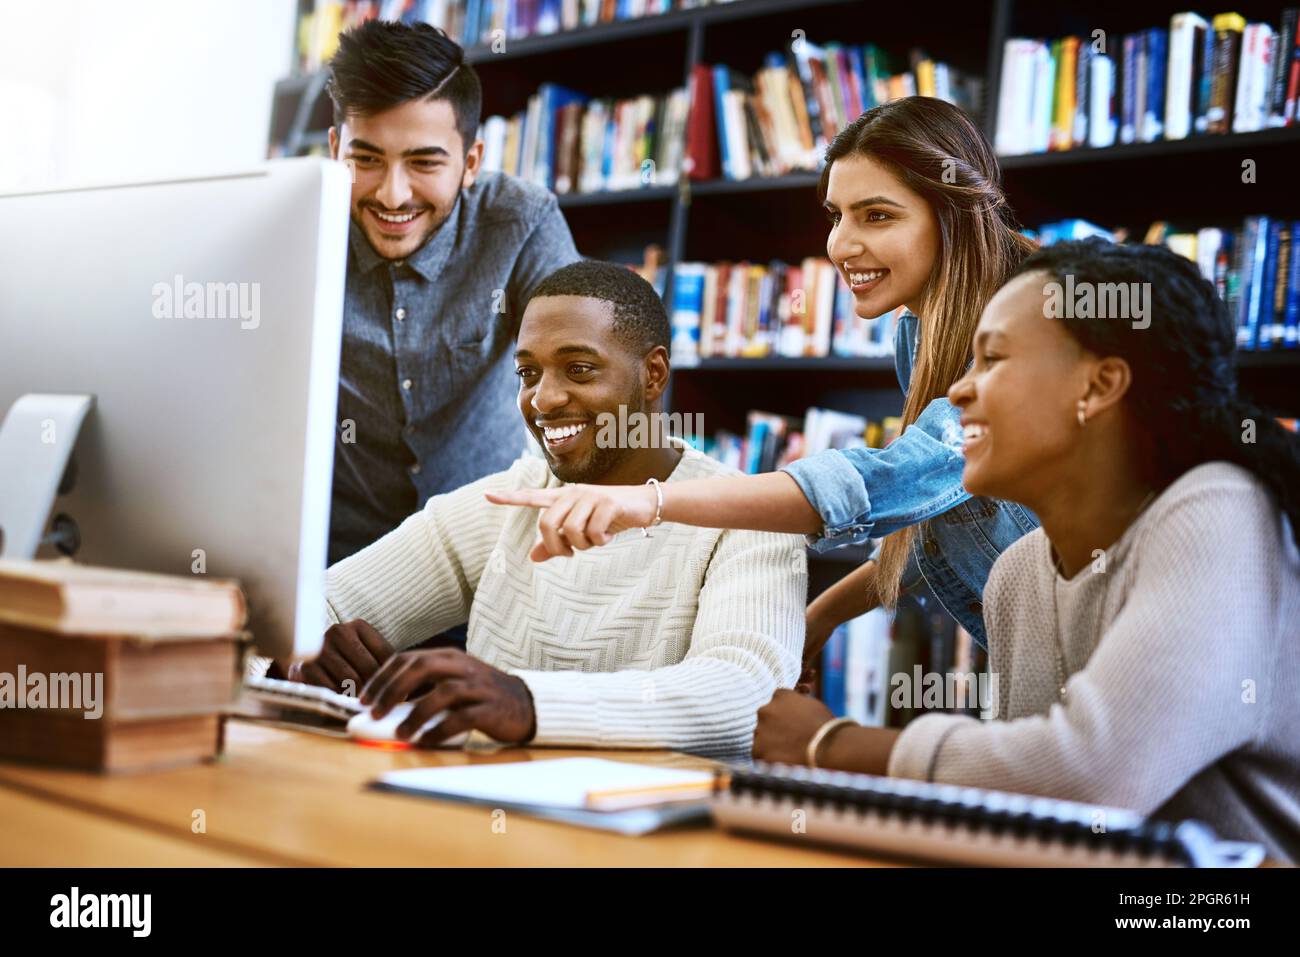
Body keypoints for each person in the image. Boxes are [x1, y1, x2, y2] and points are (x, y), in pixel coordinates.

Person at [752, 239, 1300, 862]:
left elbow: (1094, 779)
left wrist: (829, 744)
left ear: (1098, 387)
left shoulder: (1218, 510)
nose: (959, 392)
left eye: (993, 360)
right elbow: (1026, 824)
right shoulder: (1017, 573)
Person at [487, 97, 1039, 663]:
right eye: (836, 215)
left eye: (877, 215)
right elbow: (935, 506)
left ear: (952, 214)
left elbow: (891, 479)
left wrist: (648, 503)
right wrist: (822, 617)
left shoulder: (1031, 329)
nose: (840, 245)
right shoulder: (920, 332)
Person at [256, 262, 805, 755]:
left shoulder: (751, 520)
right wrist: (293, 652)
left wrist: (525, 702)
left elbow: (745, 696)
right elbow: (301, 614)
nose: (543, 399)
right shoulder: (508, 502)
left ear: (654, 374)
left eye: (579, 369)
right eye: (528, 373)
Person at [325, 20, 580, 565]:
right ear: (334, 150)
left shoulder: (522, 222)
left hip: (484, 552)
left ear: (470, 162)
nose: (392, 194)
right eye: (366, 159)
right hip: (337, 561)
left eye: (423, 162)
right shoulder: (293, 226)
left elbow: (588, 359)